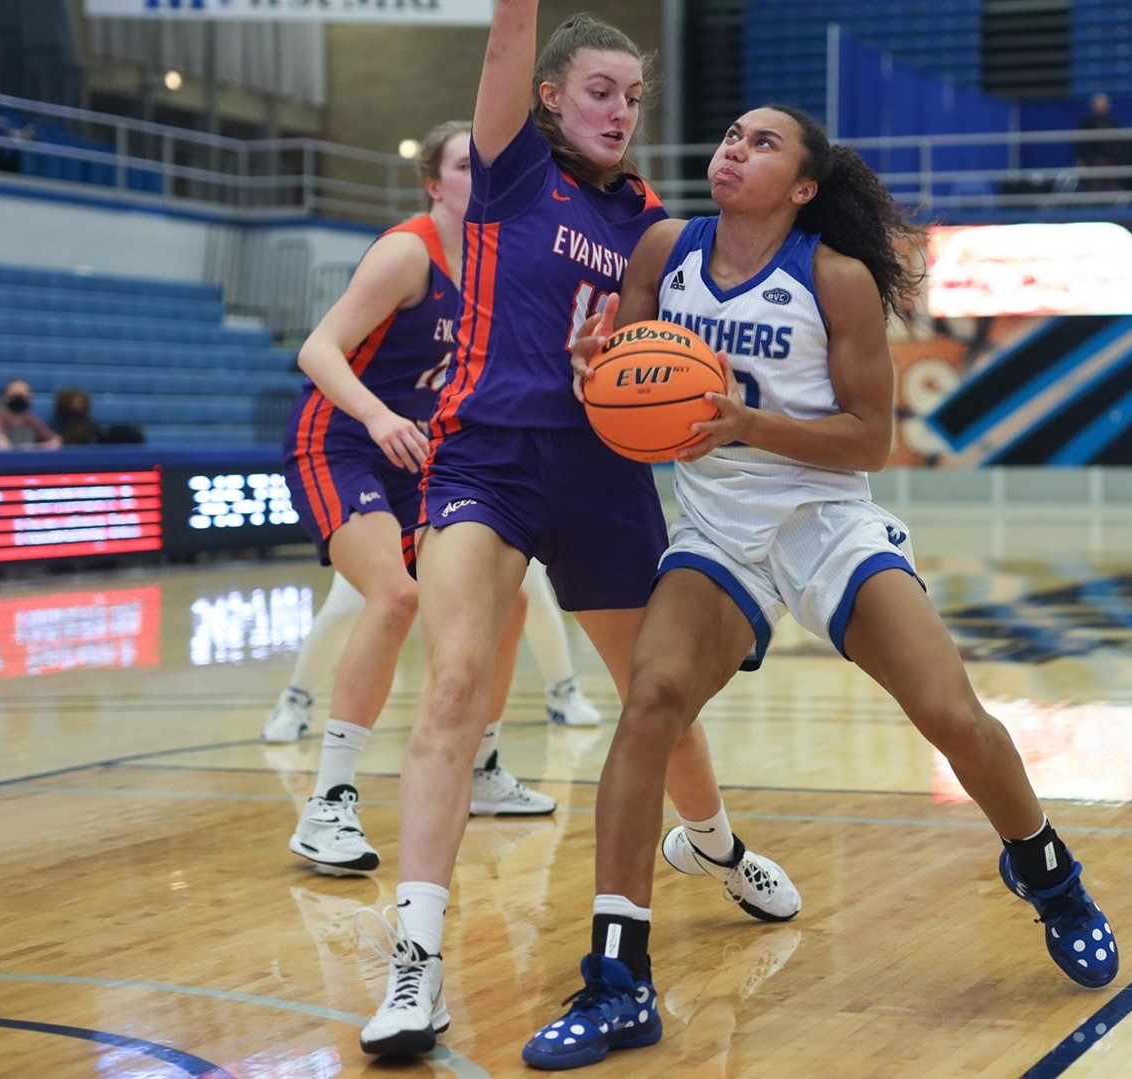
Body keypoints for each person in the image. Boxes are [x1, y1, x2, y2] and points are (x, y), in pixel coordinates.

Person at [520, 104, 1119, 1071]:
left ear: (803, 186)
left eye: (762, 143)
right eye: (730, 135)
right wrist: (599, 376)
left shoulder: (833, 277)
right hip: (719, 530)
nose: (733, 148)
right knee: (651, 701)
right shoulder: (666, 250)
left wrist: (747, 424)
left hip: (826, 521)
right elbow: (626, 384)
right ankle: (619, 981)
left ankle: (1048, 873)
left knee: (952, 713)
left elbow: (870, 438)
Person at [358, 5, 799, 1060]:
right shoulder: (511, 169)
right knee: (456, 684)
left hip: (603, 470)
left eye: (634, 96)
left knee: (657, 696)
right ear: (550, 97)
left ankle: (714, 842)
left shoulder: (646, 218)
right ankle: (415, 961)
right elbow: (507, 35)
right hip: (488, 457)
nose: (621, 109)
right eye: (600, 90)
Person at [280, 119, 560, 878]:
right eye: (465, 166)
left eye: (489, 166)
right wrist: (377, 415)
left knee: (509, 604)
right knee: (395, 597)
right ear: (434, 184)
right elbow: (316, 349)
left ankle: (483, 767)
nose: (482, 177)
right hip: (341, 439)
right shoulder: (409, 253)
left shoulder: (501, 264)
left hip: (419, 455)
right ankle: (328, 799)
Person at [260, 559, 604, 743]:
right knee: (346, 605)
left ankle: (563, 691)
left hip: (473, 479)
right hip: (396, 486)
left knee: (530, 591)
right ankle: (295, 700)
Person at [0, 378, 61, 449]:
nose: (19, 400)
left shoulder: (31, 419)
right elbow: (0, 445)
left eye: (23, 397)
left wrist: (34, 447)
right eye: (16, 396)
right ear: (5, 397)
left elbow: (55, 441)